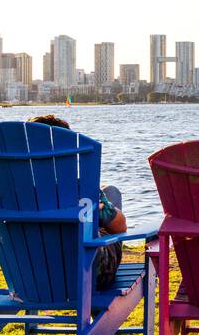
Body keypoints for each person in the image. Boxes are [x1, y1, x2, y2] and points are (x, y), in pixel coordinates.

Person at [27, 115, 126, 287]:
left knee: (108, 191)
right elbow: (120, 227)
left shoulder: (12, 190)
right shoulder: (81, 188)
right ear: (68, 150)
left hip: (29, 274)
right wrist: (99, 208)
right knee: (111, 193)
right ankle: (96, 308)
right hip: (87, 273)